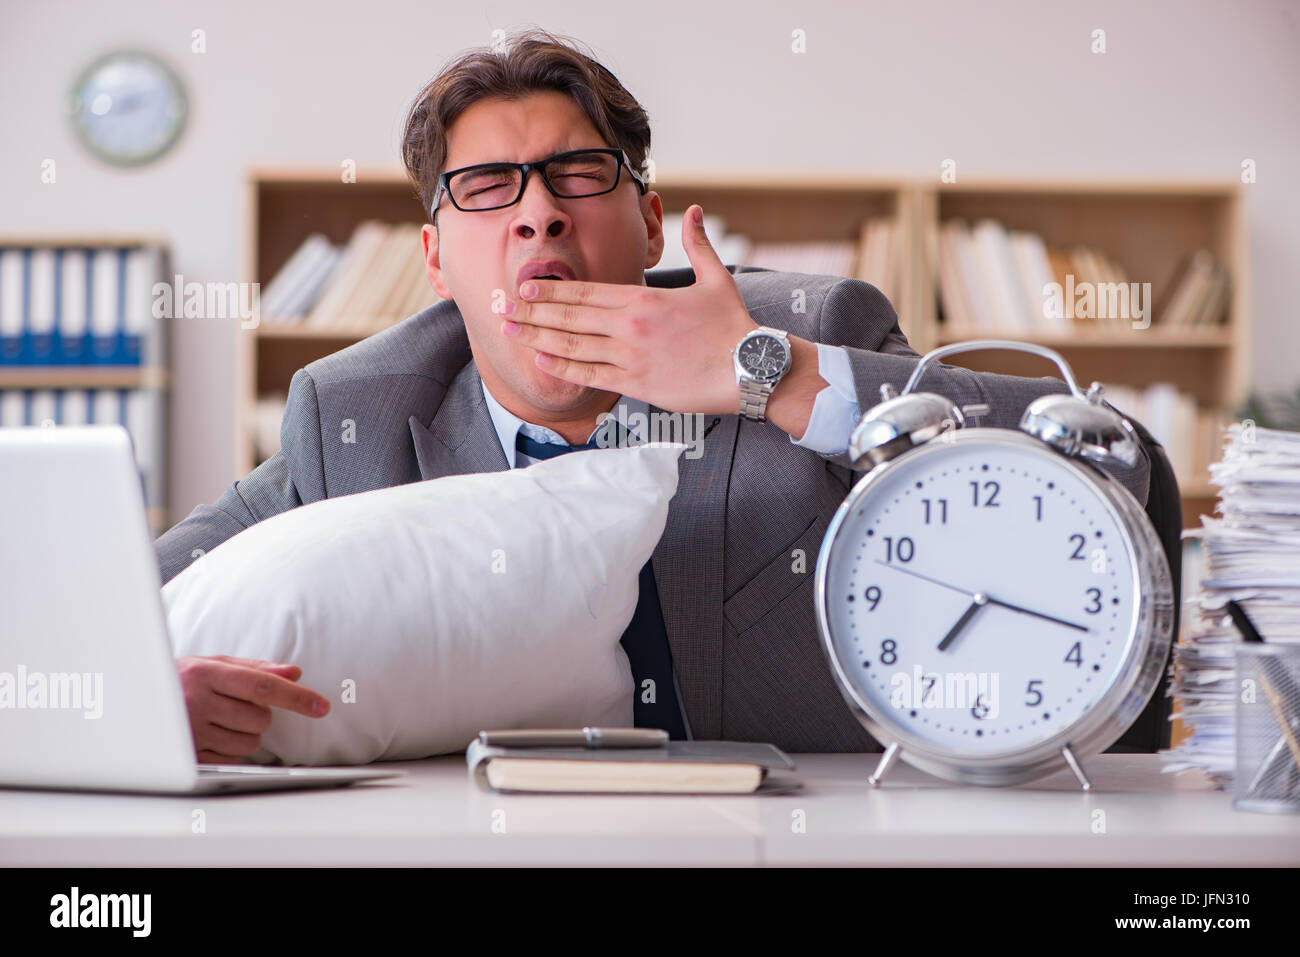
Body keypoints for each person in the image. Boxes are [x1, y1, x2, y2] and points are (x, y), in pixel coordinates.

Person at [159, 29, 1151, 762]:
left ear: (647, 225)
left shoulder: (812, 329)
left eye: (575, 174)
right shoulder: (356, 415)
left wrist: (780, 383)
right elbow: (113, 612)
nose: (538, 214)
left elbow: (1122, 465)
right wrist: (159, 701)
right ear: (435, 261)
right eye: (489, 188)